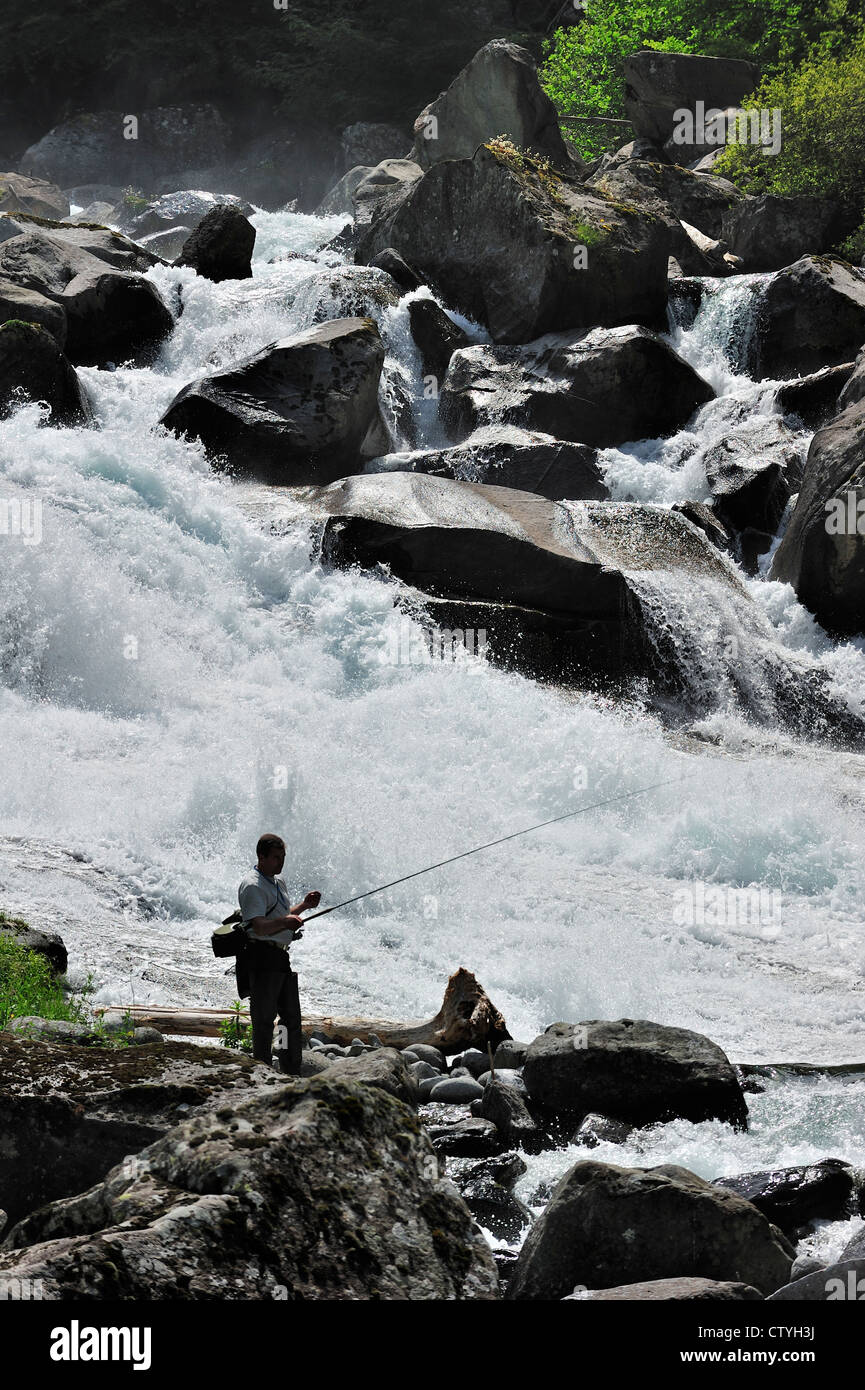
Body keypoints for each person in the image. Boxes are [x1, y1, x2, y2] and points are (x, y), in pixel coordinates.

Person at [237, 833, 321, 1074]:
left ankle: (288, 1068)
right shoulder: (252, 885)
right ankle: (263, 1070)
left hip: (280, 957)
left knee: (289, 1019)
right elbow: (259, 926)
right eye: (275, 858)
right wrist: (286, 923)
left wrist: (303, 906)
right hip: (261, 958)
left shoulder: (277, 881)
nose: (280, 862)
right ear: (261, 856)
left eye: (283, 857)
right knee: (264, 1022)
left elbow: (280, 915)